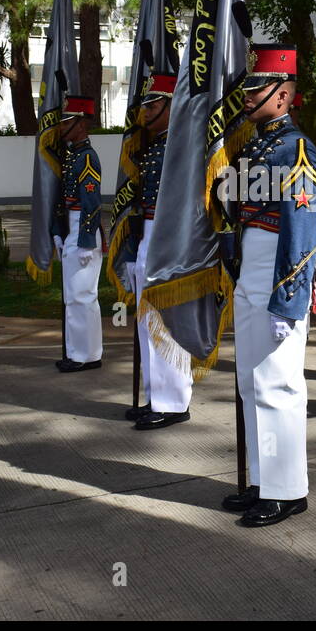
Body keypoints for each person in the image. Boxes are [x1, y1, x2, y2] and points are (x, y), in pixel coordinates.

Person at [220, 44, 316, 528]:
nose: (247, 96)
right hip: (253, 265)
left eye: (257, 88)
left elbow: (302, 227)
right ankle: (263, 480)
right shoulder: (258, 145)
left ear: (282, 96)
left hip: (278, 268)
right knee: (251, 382)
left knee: (278, 382)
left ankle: (287, 490)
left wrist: (290, 294)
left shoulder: (297, 148)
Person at [123, 74, 194, 428]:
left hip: (168, 238)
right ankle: (154, 394)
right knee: (146, 320)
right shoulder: (152, 146)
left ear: (170, 105)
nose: (145, 111)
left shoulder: (178, 146)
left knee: (164, 322)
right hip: (149, 234)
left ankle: (173, 401)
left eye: (153, 104)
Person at [54, 96, 104, 373]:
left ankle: (87, 355)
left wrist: (85, 240)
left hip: (83, 229)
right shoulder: (73, 154)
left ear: (81, 124)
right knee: (73, 295)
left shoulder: (87, 157)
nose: (61, 126)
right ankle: (78, 352)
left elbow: (92, 202)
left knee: (83, 294)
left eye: (67, 121)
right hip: (72, 227)